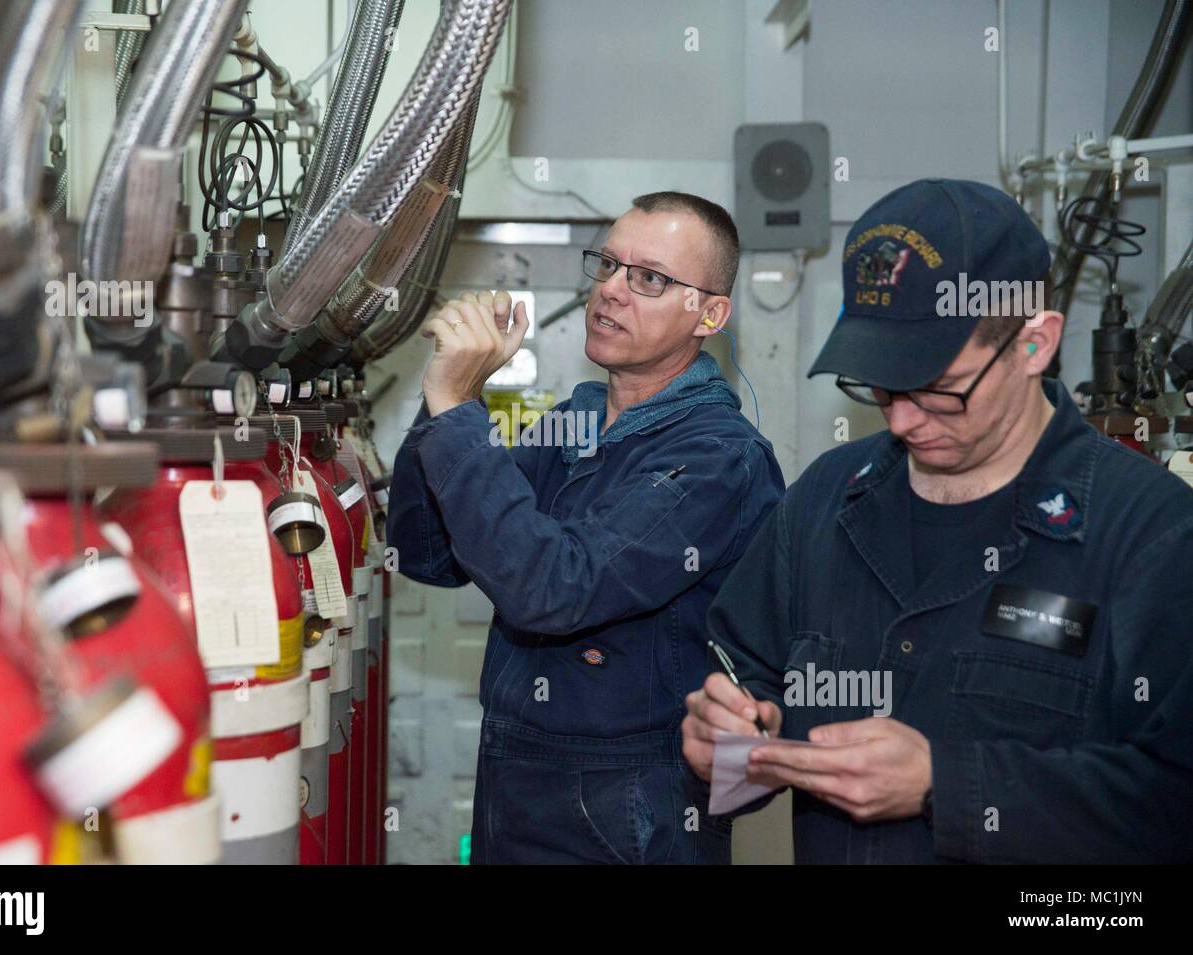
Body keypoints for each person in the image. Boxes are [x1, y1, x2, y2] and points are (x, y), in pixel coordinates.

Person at [682, 178, 1193, 863]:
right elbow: (744, 675)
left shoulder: (1150, 535)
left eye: (939, 391)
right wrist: (729, 735)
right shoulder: (825, 502)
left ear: (1034, 344)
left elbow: (1173, 798)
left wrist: (946, 785)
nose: (900, 418)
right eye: (880, 385)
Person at [387, 191, 785, 863]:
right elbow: (428, 554)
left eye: (649, 278)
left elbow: (554, 586)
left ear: (709, 314)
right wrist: (447, 403)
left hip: (630, 813)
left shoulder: (718, 458)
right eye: (607, 265)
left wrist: (458, 413)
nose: (611, 291)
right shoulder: (577, 420)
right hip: (516, 786)